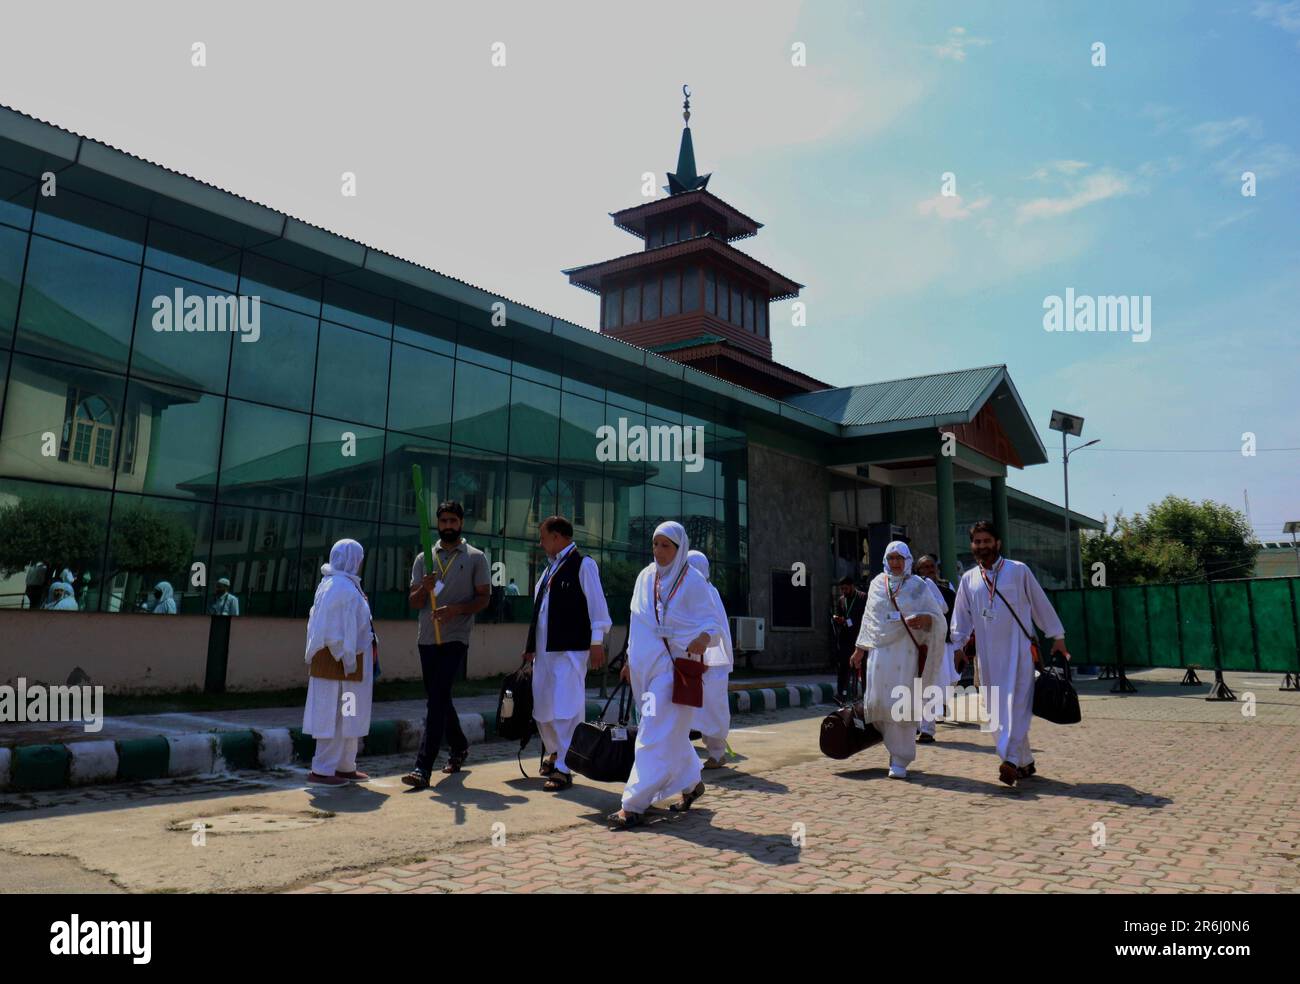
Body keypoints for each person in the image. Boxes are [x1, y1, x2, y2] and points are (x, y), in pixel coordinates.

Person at [609, 521, 719, 829]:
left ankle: (633, 804)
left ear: (679, 548)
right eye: (655, 544)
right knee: (664, 729)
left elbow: (713, 624)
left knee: (652, 733)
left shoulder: (694, 582)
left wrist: (704, 638)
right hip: (646, 666)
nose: (658, 551)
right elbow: (637, 621)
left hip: (675, 669)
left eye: (665, 545)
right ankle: (691, 783)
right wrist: (630, 659)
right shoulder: (645, 577)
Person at [950, 520, 1069, 787]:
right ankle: (1025, 762)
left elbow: (1040, 604)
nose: (982, 546)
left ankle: (1010, 761)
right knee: (993, 710)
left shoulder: (1018, 571)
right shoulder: (969, 579)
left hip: (1018, 652)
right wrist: (958, 647)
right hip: (987, 657)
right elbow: (961, 615)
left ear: (998, 543)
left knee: (1016, 707)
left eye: (986, 541)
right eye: (977, 542)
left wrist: (1057, 636)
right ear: (972, 546)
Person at [401, 501, 491, 789]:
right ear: (437, 524)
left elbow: (483, 598)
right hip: (427, 637)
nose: (448, 526)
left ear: (461, 523)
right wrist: (424, 589)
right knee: (439, 697)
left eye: (453, 520)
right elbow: (414, 602)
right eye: (444, 521)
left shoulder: (476, 557)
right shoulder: (423, 558)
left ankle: (422, 767)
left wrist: (455, 610)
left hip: (456, 637)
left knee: (437, 698)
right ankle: (459, 745)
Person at [523, 515, 612, 791]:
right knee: (543, 709)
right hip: (545, 653)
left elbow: (597, 607)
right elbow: (540, 612)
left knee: (565, 709)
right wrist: (530, 648)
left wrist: (597, 642)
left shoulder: (583, 565)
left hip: (571, 651)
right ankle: (554, 752)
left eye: (543, 537)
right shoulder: (549, 569)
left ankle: (564, 766)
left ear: (558, 537)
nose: (540, 543)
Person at [849, 541, 946, 780]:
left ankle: (900, 758)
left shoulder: (918, 586)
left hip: (905, 651)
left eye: (899, 558)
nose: (894, 562)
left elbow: (937, 617)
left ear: (907, 560)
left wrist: (924, 619)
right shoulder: (876, 585)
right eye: (891, 557)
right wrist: (860, 649)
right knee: (880, 702)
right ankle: (893, 750)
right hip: (879, 653)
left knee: (901, 703)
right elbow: (869, 620)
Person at [303, 539, 375, 786]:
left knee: (348, 714)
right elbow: (332, 630)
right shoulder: (340, 588)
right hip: (339, 664)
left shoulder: (341, 585)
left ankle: (345, 766)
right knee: (333, 715)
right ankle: (322, 769)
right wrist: (346, 656)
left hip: (349, 665)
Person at [686, 550, 733, 769]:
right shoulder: (696, 591)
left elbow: (713, 630)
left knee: (713, 709)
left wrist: (704, 655)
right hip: (696, 661)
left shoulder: (707, 592)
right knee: (690, 708)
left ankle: (717, 754)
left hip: (713, 663)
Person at [914, 553, 958, 743]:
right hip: (914, 641)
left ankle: (928, 725)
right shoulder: (911, 585)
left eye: (932, 566)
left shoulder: (943, 585)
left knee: (941, 679)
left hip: (941, 639)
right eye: (925, 567)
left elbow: (949, 609)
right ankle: (918, 724)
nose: (929, 569)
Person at [831, 575, 867, 699]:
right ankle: (842, 693)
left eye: (846, 589)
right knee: (843, 667)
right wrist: (838, 619)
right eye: (842, 589)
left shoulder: (863, 597)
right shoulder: (841, 600)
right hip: (846, 639)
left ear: (852, 586)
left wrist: (848, 621)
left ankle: (865, 695)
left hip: (860, 638)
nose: (844, 592)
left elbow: (865, 618)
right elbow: (840, 614)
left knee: (863, 667)